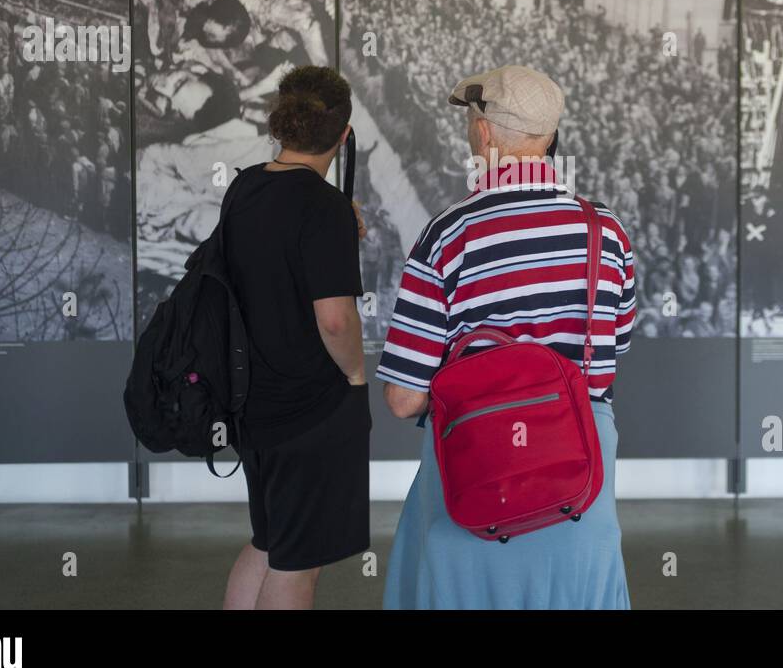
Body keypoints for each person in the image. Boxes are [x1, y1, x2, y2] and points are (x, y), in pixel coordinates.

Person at [377, 64, 636, 610]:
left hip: (481, 462)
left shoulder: (447, 234)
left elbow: (404, 399)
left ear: (484, 133)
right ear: (549, 138)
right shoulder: (604, 230)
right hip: (582, 461)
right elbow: (615, 344)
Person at [219, 66, 370, 610]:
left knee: (268, 539)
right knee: (297, 560)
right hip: (309, 409)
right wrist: (355, 374)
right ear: (344, 134)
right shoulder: (324, 208)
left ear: (282, 125)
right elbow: (334, 320)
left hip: (252, 403)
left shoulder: (244, 187)